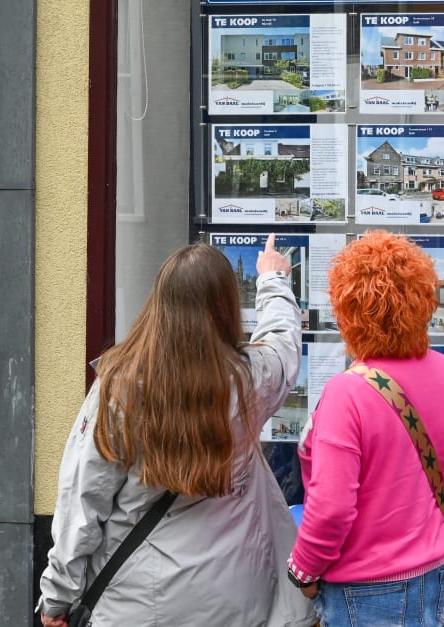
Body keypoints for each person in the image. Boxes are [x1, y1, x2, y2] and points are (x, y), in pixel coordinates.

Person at [37, 235, 316, 626]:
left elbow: (82, 499)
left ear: (158, 305)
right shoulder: (251, 380)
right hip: (235, 600)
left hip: (136, 605)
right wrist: (272, 281)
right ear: (226, 308)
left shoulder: (119, 387)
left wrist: (57, 596)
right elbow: (283, 343)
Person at [287, 229, 444, 626]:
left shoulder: (347, 393)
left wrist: (303, 571)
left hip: (365, 586)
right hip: (435, 570)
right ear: (423, 301)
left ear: (347, 311)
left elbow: (331, 508)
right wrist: (439, 530)